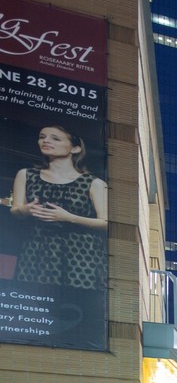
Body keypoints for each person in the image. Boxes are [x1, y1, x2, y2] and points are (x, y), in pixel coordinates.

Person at [8, 124, 108, 290]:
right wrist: (25, 210)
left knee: (77, 307)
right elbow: (16, 210)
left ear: (75, 148)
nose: (46, 141)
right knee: (32, 301)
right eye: (42, 137)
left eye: (55, 138)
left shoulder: (94, 183)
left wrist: (69, 217)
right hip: (36, 252)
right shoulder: (26, 174)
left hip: (81, 257)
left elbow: (106, 223)